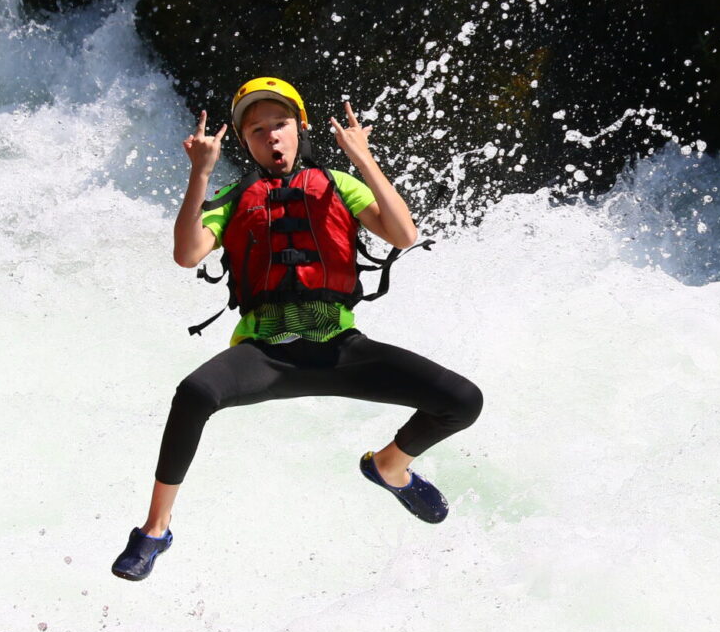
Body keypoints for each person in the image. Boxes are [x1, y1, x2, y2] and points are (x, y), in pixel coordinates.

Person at [111, 77, 483, 581]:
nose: (272, 138)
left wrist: (363, 159)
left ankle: (389, 466)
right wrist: (200, 174)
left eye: (280, 125)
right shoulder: (234, 195)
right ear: (245, 144)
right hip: (265, 355)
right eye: (257, 130)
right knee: (194, 393)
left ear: (299, 128)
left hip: (339, 349)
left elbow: (404, 233)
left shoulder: (337, 183)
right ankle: (155, 529)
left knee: (462, 399)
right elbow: (187, 253)